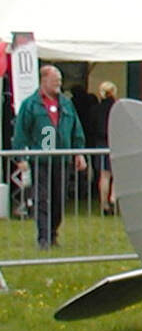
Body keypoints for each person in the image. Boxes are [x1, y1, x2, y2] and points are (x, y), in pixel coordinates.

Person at [12, 65, 87, 250]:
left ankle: (53, 233)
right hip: (41, 160)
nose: (58, 84)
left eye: (60, 81)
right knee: (42, 199)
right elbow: (21, 131)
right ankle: (43, 238)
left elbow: (76, 128)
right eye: (55, 80)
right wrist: (20, 156)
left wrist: (79, 152)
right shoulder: (31, 104)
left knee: (59, 199)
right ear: (44, 80)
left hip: (61, 160)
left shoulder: (66, 104)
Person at [89, 81, 117, 214]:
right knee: (117, 174)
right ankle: (113, 197)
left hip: (101, 143)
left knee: (104, 175)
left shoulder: (95, 109)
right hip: (116, 143)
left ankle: (104, 204)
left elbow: (91, 127)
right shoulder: (117, 108)